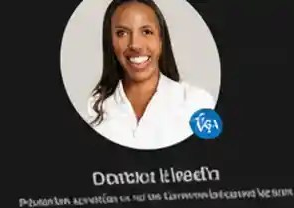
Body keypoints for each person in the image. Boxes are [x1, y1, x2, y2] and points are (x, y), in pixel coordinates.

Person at [85, 0, 215, 150]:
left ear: (161, 40)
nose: (135, 45)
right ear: (110, 43)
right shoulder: (95, 107)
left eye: (146, 32)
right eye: (122, 33)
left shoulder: (197, 103)